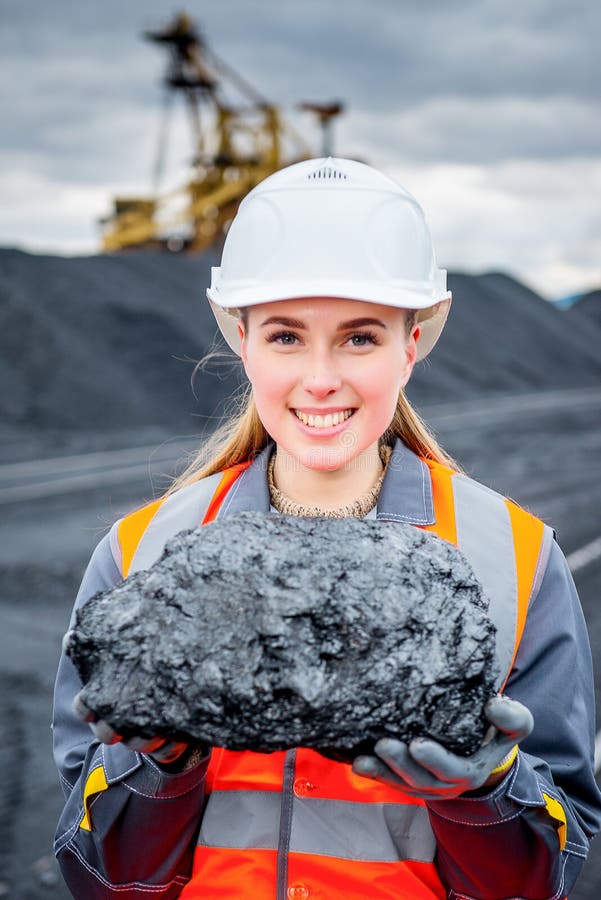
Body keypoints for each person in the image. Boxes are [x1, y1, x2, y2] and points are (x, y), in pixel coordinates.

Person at [53, 157, 601, 900]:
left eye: (359, 338)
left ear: (411, 345)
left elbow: (545, 878)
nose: (320, 378)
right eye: (285, 337)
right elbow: (102, 879)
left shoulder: (517, 556)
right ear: (241, 340)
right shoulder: (139, 553)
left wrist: (484, 790)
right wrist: (157, 766)